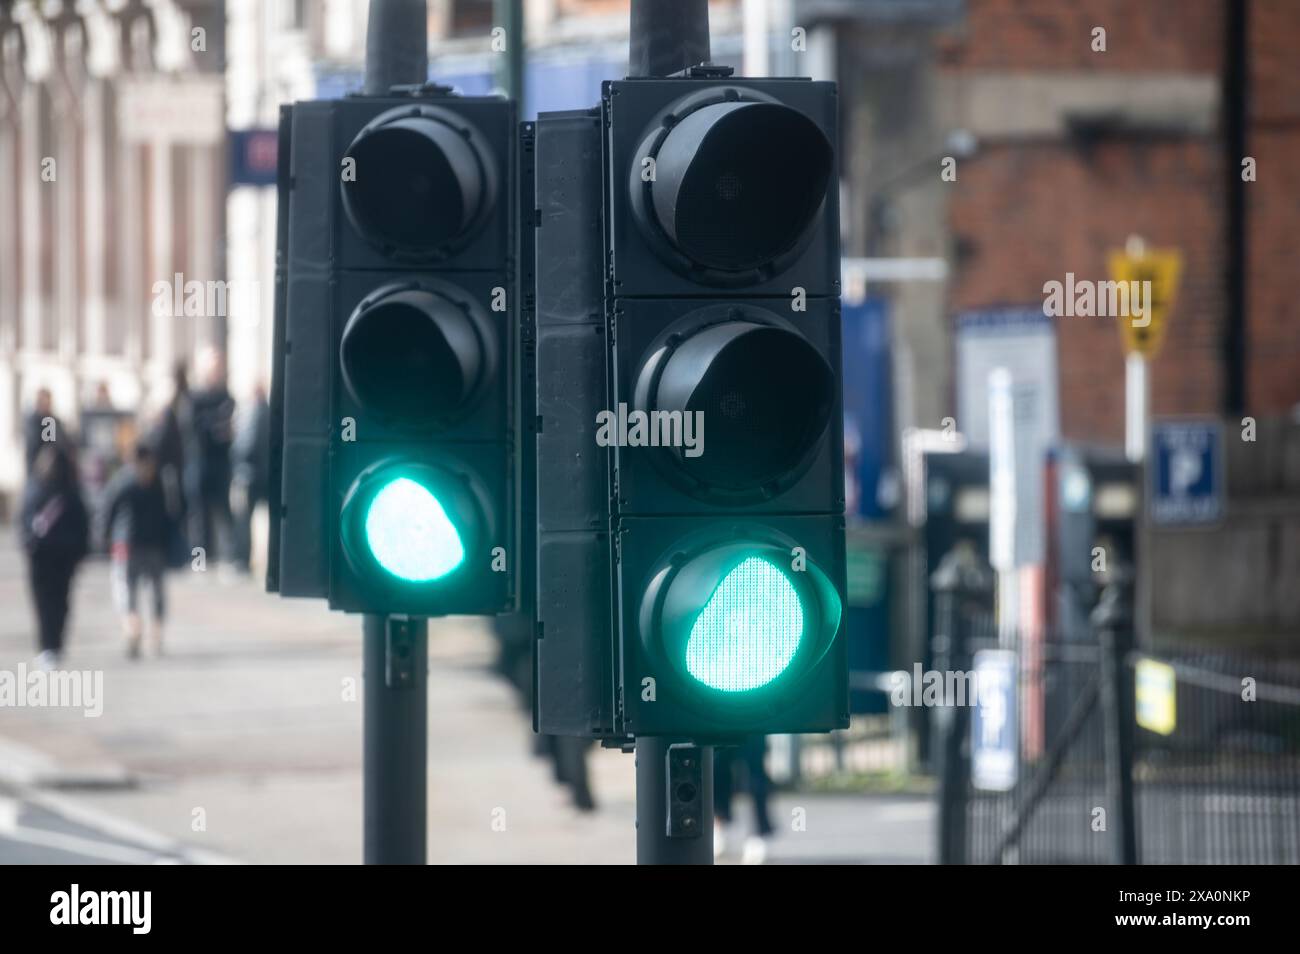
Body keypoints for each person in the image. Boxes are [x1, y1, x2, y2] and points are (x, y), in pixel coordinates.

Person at [19, 445, 90, 670]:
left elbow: (82, 525)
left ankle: (54, 645)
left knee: (59, 603)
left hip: (61, 557)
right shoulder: (36, 489)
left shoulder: (69, 493)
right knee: (45, 604)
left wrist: (80, 552)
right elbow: (24, 520)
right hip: (41, 557)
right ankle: (47, 646)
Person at [101, 444, 174, 659]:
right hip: (155, 543)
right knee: (157, 590)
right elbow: (170, 514)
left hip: (127, 543)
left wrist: (105, 538)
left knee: (127, 588)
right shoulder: (160, 481)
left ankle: (133, 628)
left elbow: (108, 510)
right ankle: (156, 634)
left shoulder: (123, 480)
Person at [186, 349, 236, 567]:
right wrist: (215, 423)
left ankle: (227, 558)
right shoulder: (195, 397)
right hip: (200, 464)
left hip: (221, 464)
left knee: (224, 512)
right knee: (199, 516)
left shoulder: (226, 397)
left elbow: (228, 427)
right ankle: (200, 560)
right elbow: (193, 427)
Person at [714, 736, 775, 864]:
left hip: (754, 721)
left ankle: (757, 834)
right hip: (722, 721)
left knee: (755, 773)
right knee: (717, 768)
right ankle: (719, 823)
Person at [230, 383, 270, 575]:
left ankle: (242, 562)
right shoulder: (270, 411)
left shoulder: (253, 413)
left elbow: (246, 445)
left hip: (248, 474)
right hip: (265, 474)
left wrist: (235, 457)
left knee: (244, 519)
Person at [23, 388, 62, 474]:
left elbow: (51, 446)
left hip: (47, 474)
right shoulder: (33, 420)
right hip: (35, 471)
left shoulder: (50, 420)